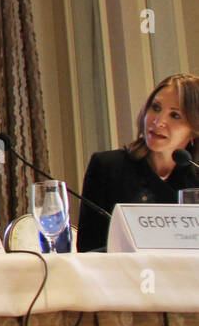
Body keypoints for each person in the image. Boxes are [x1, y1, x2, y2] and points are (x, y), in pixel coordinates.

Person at [77, 73, 199, 252]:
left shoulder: (195, 176)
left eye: (175, 115)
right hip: (122, 276)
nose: (158, 121)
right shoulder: (107, 166)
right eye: (155, 108)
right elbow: (88, 249)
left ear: (194, 129)